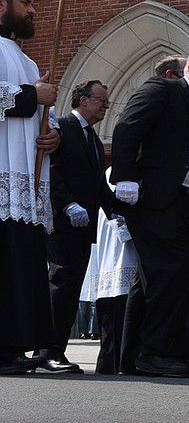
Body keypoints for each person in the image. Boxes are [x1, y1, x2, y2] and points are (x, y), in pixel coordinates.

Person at [111, 44, 189, 377]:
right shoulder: (163, 89)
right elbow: (127, 128)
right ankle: (154, 352)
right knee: (170, 271)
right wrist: (125, 178)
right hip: (155, 201)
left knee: (182, 277)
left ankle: (153, 353)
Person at [0, 0, 60, 375]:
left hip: (25, 176)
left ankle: (14, 345)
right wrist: (29, 96)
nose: (33, 10)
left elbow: (42, 117)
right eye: (25, 3)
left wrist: (52, 134)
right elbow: (22, 99)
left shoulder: (29, 60)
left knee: (20, 261)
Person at [37, 79, 116, 373]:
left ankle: (56, 349)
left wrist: (116, 210)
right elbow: (51, 171)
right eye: (101, 100)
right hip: (62, 222)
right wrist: (67, 204)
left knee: (70, 289)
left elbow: (97, 185)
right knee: (60, 285)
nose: (106, 106)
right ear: (83, 100)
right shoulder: (64, 128)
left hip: (83, 227)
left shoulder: (93, 139)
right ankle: (47, 351)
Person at [81, 170, 137, 375]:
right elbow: (116, 217)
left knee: (113, 332)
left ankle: (111, 369)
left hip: (115, 259)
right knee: (114, 328)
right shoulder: (117, 174)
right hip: (120, 257)